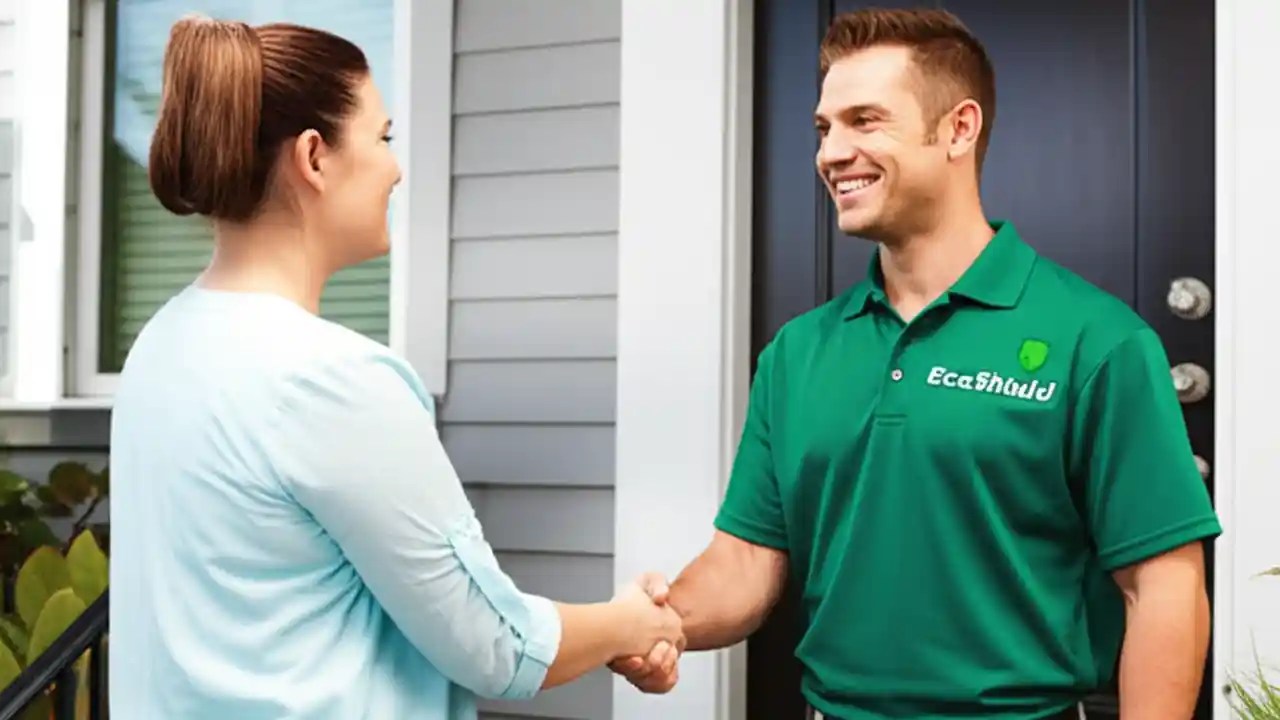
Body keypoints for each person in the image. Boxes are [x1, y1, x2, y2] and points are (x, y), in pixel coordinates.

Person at [611, 8, 1220, 720]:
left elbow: (1162, 587)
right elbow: (746, 560)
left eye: (865, 121)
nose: (832, 152)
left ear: (959, 128)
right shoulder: (798, 354)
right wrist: (661, 624)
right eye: (824, 127)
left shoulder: (1096, 340)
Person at [107, 16, 682, 720]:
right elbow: (496, 646)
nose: (396, 166)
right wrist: (634, 622)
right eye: (382, 138)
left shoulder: (160, 348)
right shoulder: (331, 381)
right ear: (314, 157)